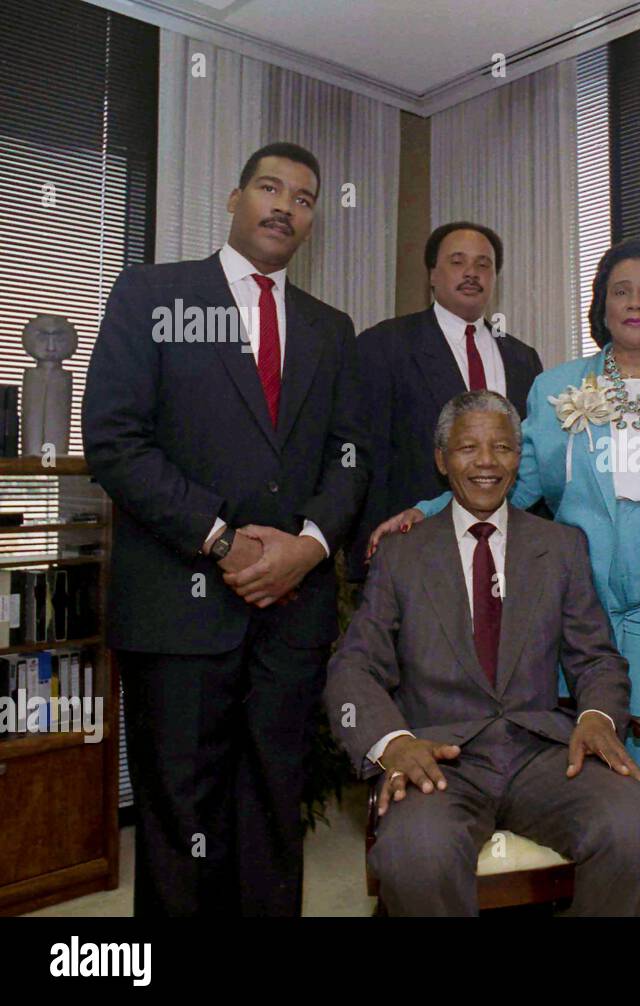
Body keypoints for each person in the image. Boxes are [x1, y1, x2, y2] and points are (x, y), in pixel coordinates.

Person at [367, 239, 640, 916]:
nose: (635, 303)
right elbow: (507, 483)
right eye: (620, 291)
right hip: (578, 628)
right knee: (589, 798)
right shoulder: (558, 390)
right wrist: (426, 513)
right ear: (601, 306)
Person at [82, 142, 369, 916]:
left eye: (304, 198)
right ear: (235, 198)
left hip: (291, 614)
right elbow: (113, 439)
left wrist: (308, 547)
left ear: (313, 220)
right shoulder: (152, 294)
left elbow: (350, 456)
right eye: (269, 188)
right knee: (182, 821)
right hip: (180, 606)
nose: (285, 206)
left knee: (275, 809)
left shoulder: (330, 328)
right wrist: (219, 538)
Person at [325, 390, 640, 916]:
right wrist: (392, 743)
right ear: (442, 460)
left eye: (503, 448)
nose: (486, 462)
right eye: (468, 448)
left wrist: (598, 715)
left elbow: (596, 658)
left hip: (543, 756)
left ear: (518, 458)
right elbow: (354, 666)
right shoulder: (402, 555)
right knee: (415, 852)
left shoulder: (560, 547)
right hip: (440, 760)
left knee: (638, 825)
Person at [347, 221, 543, 579]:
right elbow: (363, 454)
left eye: (483, 264)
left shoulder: (523, 358)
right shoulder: (385, 345)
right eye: (457, 262)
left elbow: (530, 457)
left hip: (508, 557)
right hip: (414, 554)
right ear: (432, 276)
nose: (472, 273)